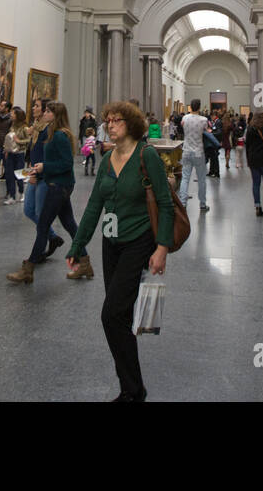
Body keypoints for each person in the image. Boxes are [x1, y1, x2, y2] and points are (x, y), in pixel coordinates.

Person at [66, 100, 172, 401]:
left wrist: (161, 248)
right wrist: (78, 244)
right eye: (108, 120)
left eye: (116, 121)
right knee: (119, 316)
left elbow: (164, 203)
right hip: (110, 242)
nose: (110, 125)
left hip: (138, 241)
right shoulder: (109, 157)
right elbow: (94, 206)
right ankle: (132, 387)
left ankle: (132, 390)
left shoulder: (146, 155)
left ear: (132, 125)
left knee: (111, 315)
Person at [7, 102, 80, 284]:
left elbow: (66, 164)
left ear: (55, 115)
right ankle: (85, 261)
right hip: (54, 182)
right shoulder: (51, 133)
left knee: (43, 225)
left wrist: (43, 168)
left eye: (47, 111)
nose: (43, 113)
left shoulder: (59, 136)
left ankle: (29, 268)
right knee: (69, 223)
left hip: (57, 185)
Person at [22, 99, 59, 253]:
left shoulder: (48, 130)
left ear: (44, 111)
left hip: (43, 175)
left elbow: (48, 155)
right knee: (29, 209)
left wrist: (37, 173)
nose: (33, 107)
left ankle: (39, 251)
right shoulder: (36, 127)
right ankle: (53, 237)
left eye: (36, 106)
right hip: (34, 172)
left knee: (39, 213)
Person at [179, 99, 209, 213]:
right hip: (198, 152)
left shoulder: (184, 118)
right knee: (201, 179)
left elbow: (183, 127)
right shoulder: (203, 120)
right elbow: (207, 130)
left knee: (185, 177)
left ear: (190, 107)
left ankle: (183, 203)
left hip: (186, 150)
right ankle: (202, 204)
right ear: (199, 107)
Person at [1, 106, 28, 203]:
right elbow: (9, 139)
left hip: (20, 154)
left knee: (20, 175)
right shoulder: (12, 126)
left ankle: (22, 192)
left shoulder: (25, 128)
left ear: (18, 115)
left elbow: (29, 140)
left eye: (12, 113)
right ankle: (12, 196)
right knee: (9, 175)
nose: (11, 115)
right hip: (11, 154)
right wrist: (6, 150)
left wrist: (19, 141)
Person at [79, 106, 98, 176]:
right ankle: (88, 168)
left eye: (87, 113)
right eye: (85, 113)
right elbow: (81, 128)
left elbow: (95, 126)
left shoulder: (92, 120)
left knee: (89, 154)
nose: (86, 114)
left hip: (90, 136)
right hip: (85, 135)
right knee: (86, 148)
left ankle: (88, 168)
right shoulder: (82, 120)